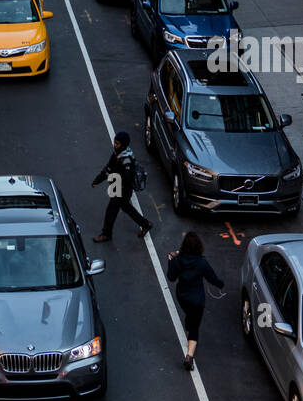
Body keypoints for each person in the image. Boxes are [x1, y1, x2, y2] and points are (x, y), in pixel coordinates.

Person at [167, 230, 224, 370]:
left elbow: (171, 278)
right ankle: (189, 356)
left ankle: (189, 337)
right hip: (197, 300)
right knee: (194, 326)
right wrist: (221, 285)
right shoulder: (202, 262)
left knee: (189, 317)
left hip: (182, 297)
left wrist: (170, 262)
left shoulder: (177, 261)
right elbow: (213, 278)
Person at [91, 130, 153, 243]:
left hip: (122, 189)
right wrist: (97, 180)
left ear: (123, 145)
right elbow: (108, 169)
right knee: (126, 208)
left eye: (118, 143)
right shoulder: (117, 154)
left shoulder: (126, 160)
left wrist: (116, 186)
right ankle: (146, 224)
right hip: (117, 187)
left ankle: (106, 234)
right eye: (115, 142)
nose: (115, 145)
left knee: (111, 210)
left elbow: (127, 179)